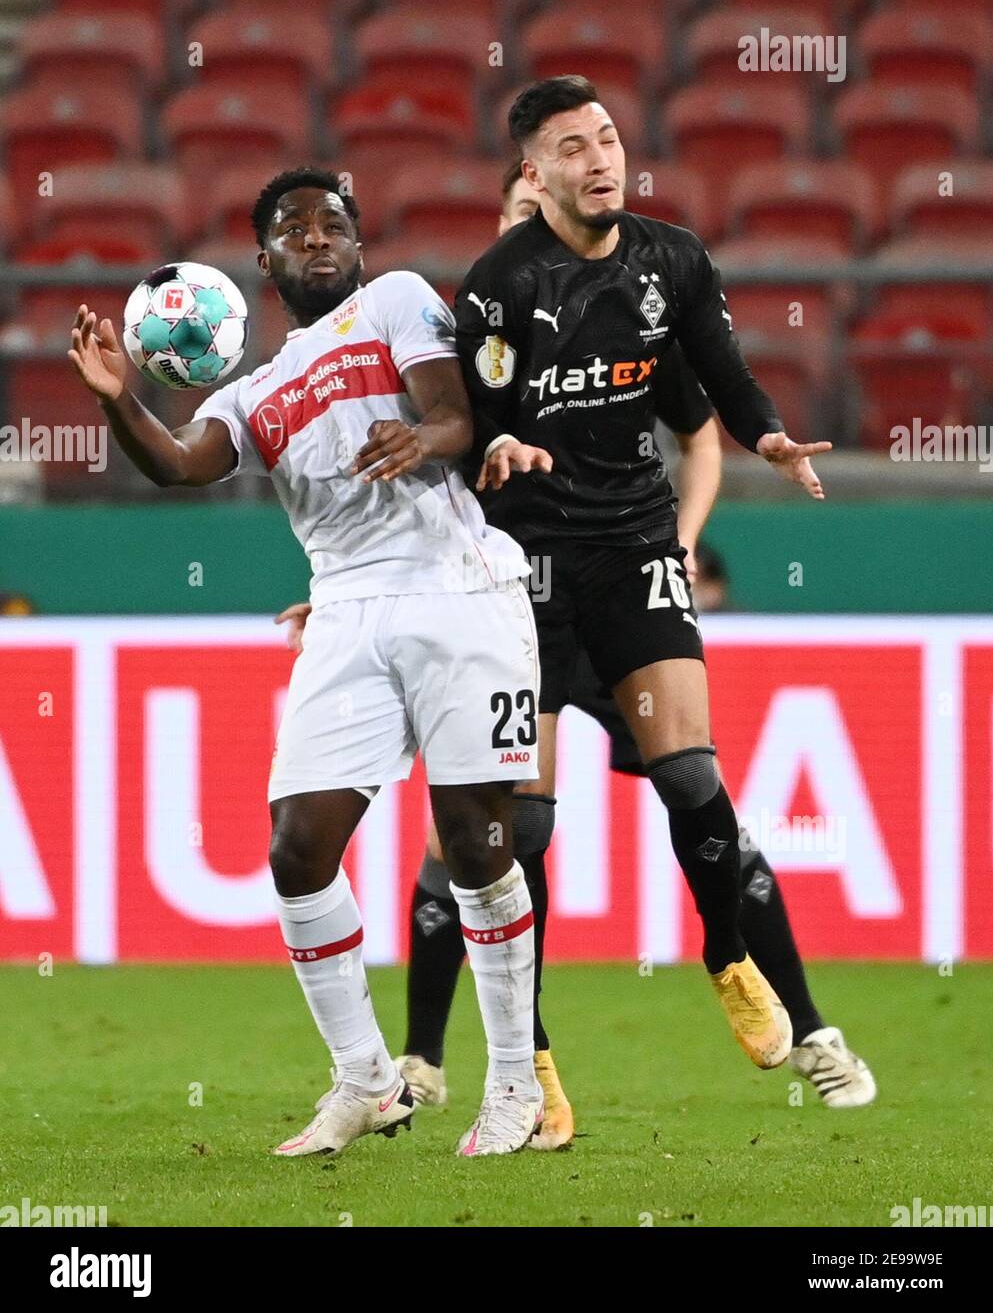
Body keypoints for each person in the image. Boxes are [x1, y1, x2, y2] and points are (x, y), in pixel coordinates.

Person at [279, 151, 876, 1149]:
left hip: (625, 574)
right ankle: (506, 1064)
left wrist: (679, 544)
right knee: (512, 833)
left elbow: (698, 432)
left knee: (696, 782)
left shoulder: (633, 319)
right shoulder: (473, 336)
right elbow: (432, 475)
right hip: (517, 600)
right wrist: (343, 588)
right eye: (518, 221)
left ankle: (798, 1014)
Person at [67, 167, 554, 1159]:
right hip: (343, 607)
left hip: (456, 587)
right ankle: (368, 1080)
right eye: (295, 228)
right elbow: (177, 461)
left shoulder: (398, 301)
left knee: (474, 838)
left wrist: (419, 437)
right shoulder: (254, 389)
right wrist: (121, 401)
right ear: (264, 262)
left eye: (334, 223)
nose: (317, 237)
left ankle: (514, 1086)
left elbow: (457, 418)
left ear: (358, 244)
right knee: (297, 848)